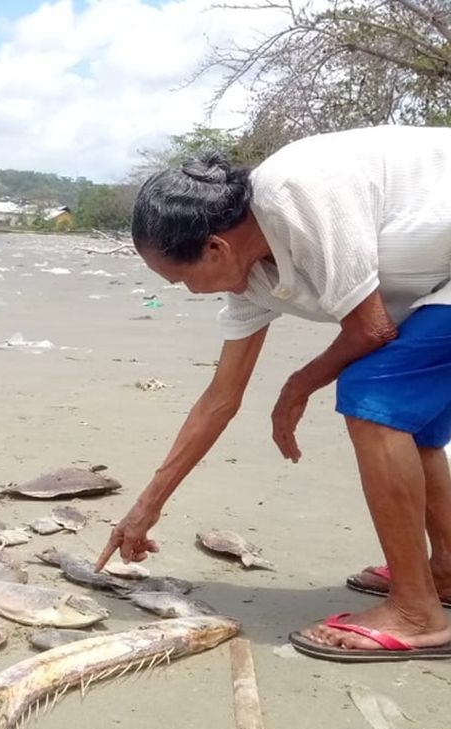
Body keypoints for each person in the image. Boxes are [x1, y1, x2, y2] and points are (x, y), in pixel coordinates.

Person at [94, 124, 451, 662]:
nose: (187, 292)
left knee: (373, 394)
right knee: (409, 415)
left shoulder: (295, 192)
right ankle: (442, 571)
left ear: (215, 247)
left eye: (183, 279)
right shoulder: (252, 276)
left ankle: (416, 614)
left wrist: (296, 386)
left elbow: (372, 328)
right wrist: (144, 510)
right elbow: (219, 399)